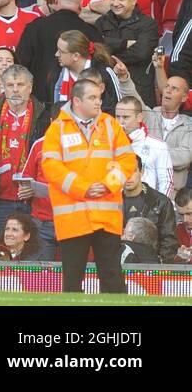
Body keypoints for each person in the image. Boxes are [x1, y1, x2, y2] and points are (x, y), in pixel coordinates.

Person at [41, 78, 135, 293]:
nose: (98, 102)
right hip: (73, 217)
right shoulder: (57, 129)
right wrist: (82, 188)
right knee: (72, 280)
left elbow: (128, 160)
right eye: (92, 98)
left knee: (112, 276)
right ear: (76, 101)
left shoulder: (110, 125)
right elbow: (51, 167)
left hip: (106, 216)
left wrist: (108, 185)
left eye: (99, 97)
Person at [0, 66, 50, 240]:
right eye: (10, 85)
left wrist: (35, 188)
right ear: (3, 87)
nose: (15, 90)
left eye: (20, 84)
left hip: (31, 201)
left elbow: (48, 160)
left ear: (30, 87)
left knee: (31, 257)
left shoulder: (44, 118)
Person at [16, 0, 95, 101]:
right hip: (80, 102)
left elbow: (20, 63)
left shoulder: (35, 27)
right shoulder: (91, 31)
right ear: (81, 3)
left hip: (38, 102)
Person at [93, 0, 159, 107]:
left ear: (134, 0)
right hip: (107, 90)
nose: (115, 3)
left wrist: (107, 52)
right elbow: (95, 50)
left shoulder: (148, 24)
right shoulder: (101, 22)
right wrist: (124, 44)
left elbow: (140, 53)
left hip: (138, 89)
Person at [114, 96, 174, 196]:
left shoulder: (157, 145)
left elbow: (166, 182)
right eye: (117, 117)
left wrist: (159, 208)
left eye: (126, 117)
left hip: (147, 208)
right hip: (116, 207)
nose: (120, 122)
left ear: (139, 117)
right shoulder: (108, 145)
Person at [145, 74, 192, 195]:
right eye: (166, 86)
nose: (168, 90)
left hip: (173, 196)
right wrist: (124, 79)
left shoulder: (188, 125)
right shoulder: (149, 114)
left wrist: (152, 153)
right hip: (145, 192)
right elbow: (132, 100)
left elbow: (185, 156)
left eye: (174, 88)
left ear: (184, 97)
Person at [122, 161, 179, 260]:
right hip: (119, 264)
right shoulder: (111, 203)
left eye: (133, 171)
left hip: (150, 266)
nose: (128, 176)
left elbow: (169, 240)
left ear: (142, 171)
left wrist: (158, 266)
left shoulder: (161, 202)